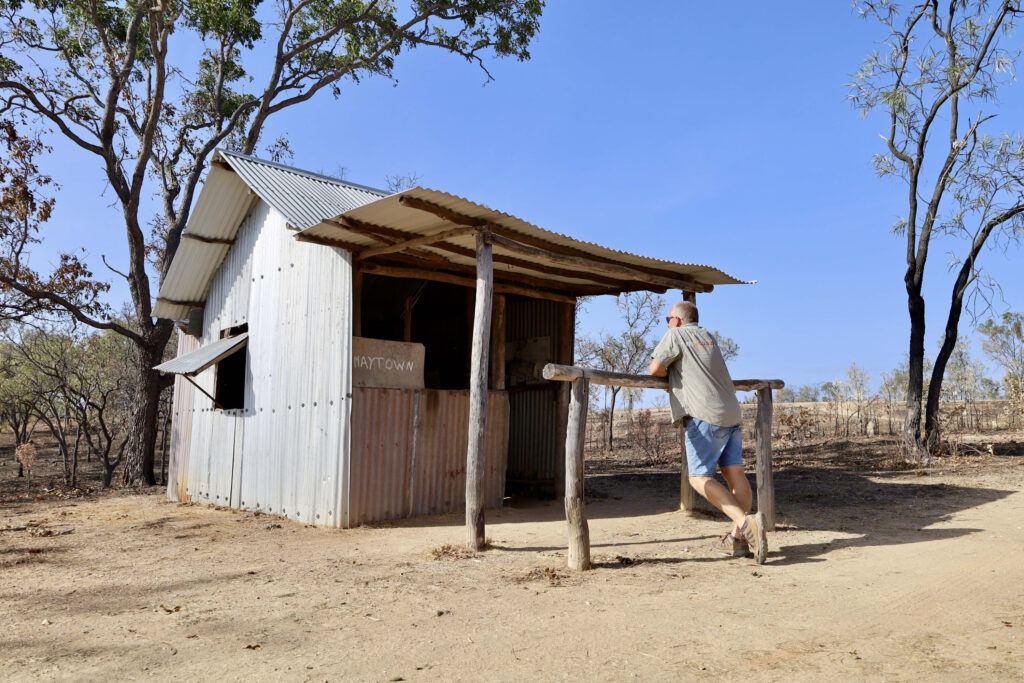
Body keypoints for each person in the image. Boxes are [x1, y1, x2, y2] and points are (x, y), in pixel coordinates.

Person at [648, 300, 767, 564]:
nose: (667, 324)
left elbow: (655, 369)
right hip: (731, 412)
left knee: (698, 478)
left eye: (668, 320)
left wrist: (668, 376)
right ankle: (739, 539)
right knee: (734, 472)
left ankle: (746, 522)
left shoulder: (675, 334)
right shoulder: (707, 336)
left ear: (677, 320)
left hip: (705, 416)